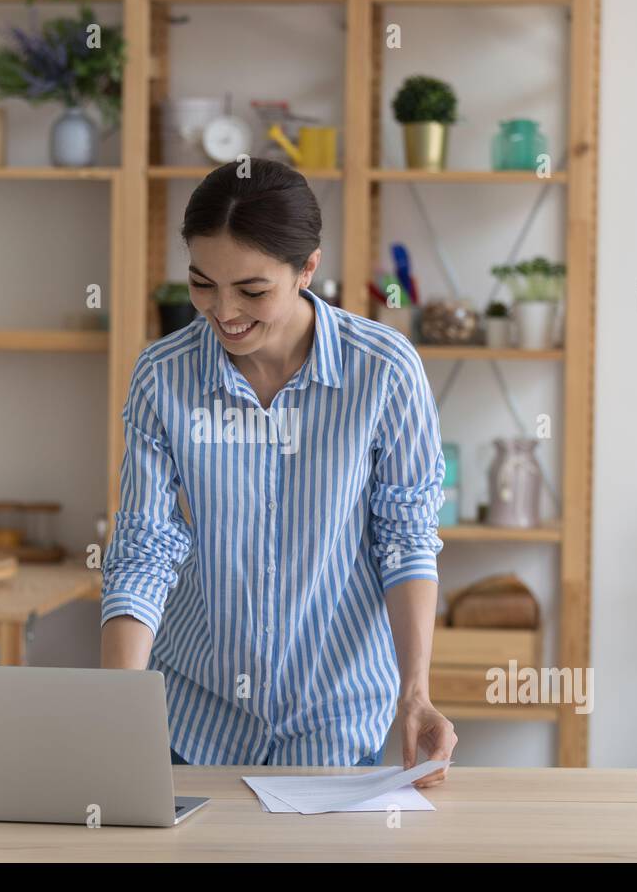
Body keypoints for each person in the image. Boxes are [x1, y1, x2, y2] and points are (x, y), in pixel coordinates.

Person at [100, 158, 456, 786]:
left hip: (335, 717)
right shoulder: (163, 375)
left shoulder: (384, 371)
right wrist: (119, 709)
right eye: (202, 283)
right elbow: (145, 547)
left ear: (308, 269)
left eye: (252, 290)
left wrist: (415, 692)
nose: (223, 311)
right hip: (196, 718)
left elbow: (405, 540)